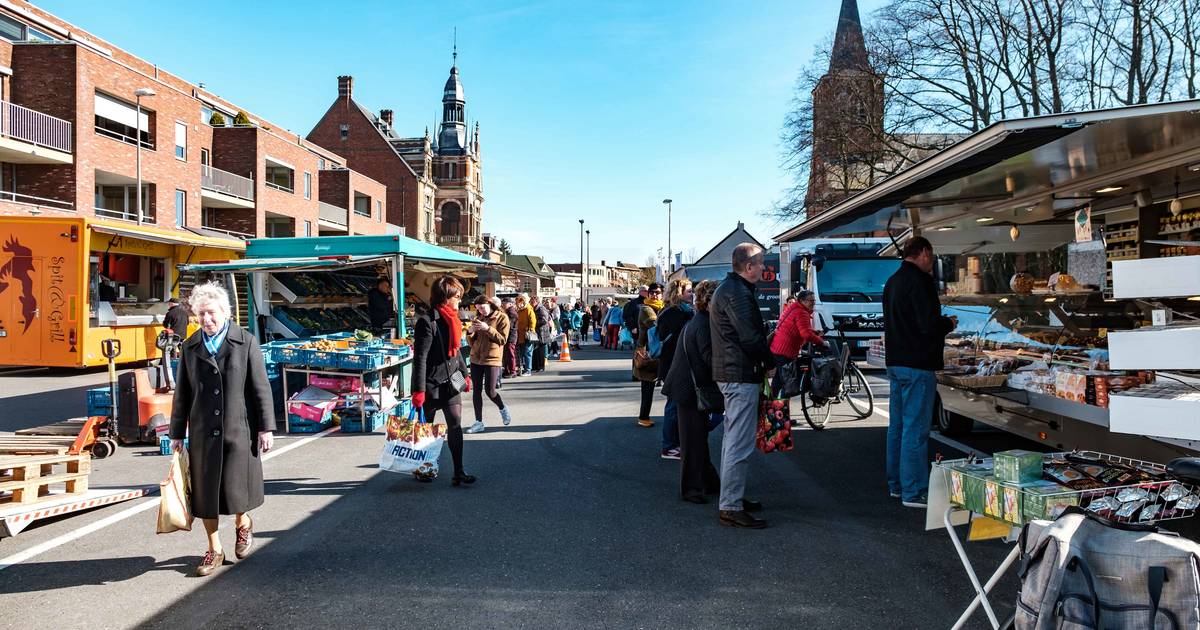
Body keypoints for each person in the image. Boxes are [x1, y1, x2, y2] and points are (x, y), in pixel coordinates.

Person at [169, 281, 275, 576]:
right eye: (200, 314)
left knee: (236, 488)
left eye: (211, 313)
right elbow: (183, 394)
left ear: (225, 313)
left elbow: (260, 388)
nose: (206, 320)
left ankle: (243, 523)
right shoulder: (190, 347)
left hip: (238, 430)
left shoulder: (246, 342)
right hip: (203, 432)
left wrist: (265, 428)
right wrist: (177, 433)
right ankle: (214, 548)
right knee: (206, 495)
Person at [883, 236, 957, 509]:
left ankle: (896, 485)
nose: (931, 262)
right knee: (915, 430)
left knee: (898, 428)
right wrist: (947, 323)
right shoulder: (921, 282)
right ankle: (913, 492)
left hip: (895, 362)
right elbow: (927, 325)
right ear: (924, 252)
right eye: (931, 255)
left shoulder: (892, 282)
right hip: (918, 364)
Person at [710, 243, 774, 529]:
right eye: (761, 264)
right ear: (748, 267)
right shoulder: (737, 293)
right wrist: (769, 361)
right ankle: (731, 505)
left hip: (732, 372)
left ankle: (731, 497)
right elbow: (749, 337)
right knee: (739, 443)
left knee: (732, 440)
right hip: (739, 374)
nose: (764, 268)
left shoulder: (730, 289)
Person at [410, 275, 475, 487]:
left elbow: (456, 353)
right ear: (444, 296)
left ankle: (459, 471)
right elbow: (420, 358)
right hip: (430, 385)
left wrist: (465, 374)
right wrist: (418, 391)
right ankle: (424, 468)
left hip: (451, 384)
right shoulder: (427, 321)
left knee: (455, 425)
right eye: (456, 295)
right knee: (426, 429)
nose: (459, 299)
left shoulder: (454, 320)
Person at [662, 280, 721, 503]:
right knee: (692, 442)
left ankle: (708, 483)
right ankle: (691, 489)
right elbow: (709, 358)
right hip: (688, 388)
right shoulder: (704, 324)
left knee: (697, 440)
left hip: (685, 386)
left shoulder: (700, 320)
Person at [655, 278, 694, 459]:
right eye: (689, 291)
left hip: (672, 364)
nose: (692, 294)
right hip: (673, 365)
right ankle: (669, 446)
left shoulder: (674, 311)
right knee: (673, 405)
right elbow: (680, 340)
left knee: (676, 404)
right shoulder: (675, 313)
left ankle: (674, 443)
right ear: (679, 293)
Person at [464, 295, 513, 434]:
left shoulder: (502, 317)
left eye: (483, 307)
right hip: (475, 358)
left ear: (490, 304)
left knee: (490, 391)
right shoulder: (479, 318)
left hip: (492, 358)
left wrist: (487, 328)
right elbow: (472, 342)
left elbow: (503, 339)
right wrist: (470, 333)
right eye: (478, 309)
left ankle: (503, 408)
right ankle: (478, 422)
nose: (481, 311)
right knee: (476, 391)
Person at [633, 283, 665, 427]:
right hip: (647, 351)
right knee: (647, 385)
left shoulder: (662, 307)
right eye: (651, 292)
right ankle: (643, 417)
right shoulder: (646, 308)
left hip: (658, 350)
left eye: (657, 292)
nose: (654, 295)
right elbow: (655, 324)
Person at [770, 290, 825, 363]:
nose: (813, 303)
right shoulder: (802, 312)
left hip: (777, 348)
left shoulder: (793, 308)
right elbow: (807, 335)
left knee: (779, 373)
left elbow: (796, 327)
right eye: (811, 301)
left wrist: (814, 332)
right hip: (785, 352)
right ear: (802, 301)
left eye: (814, 300)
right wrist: (822, 342)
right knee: (785, 373)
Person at [515, 294, 537, 376]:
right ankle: (522, 369)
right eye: (517, 303)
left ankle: (528, 370)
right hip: (520, 334)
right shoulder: (519, 310)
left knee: (527, 352)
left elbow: (533, 321)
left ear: (523, 302)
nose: (518, 304)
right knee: (521, 353)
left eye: (520, 302)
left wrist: (530, 329)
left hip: (527, 334)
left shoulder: (528, 309)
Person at [502, 298, 520, 378]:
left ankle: (512, 371)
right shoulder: (508, 311)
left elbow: (508, 324)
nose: (502, 305)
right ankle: (508, 370)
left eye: (504, 303)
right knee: (507, 354)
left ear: (510, 304)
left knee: (510, 354)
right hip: (509, 335)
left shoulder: (511, 312)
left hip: (511, 336)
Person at [534, 298, 553, 372]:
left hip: (542, 332)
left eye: (533, 301)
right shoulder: (536, 308)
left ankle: (541, 366)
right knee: (537, 350)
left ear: (537, 302)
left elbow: (544, 320)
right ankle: (537, 366)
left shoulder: (541, 309)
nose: (531, 303)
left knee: (541, 349)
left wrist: (534, 323)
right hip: (538, 331)